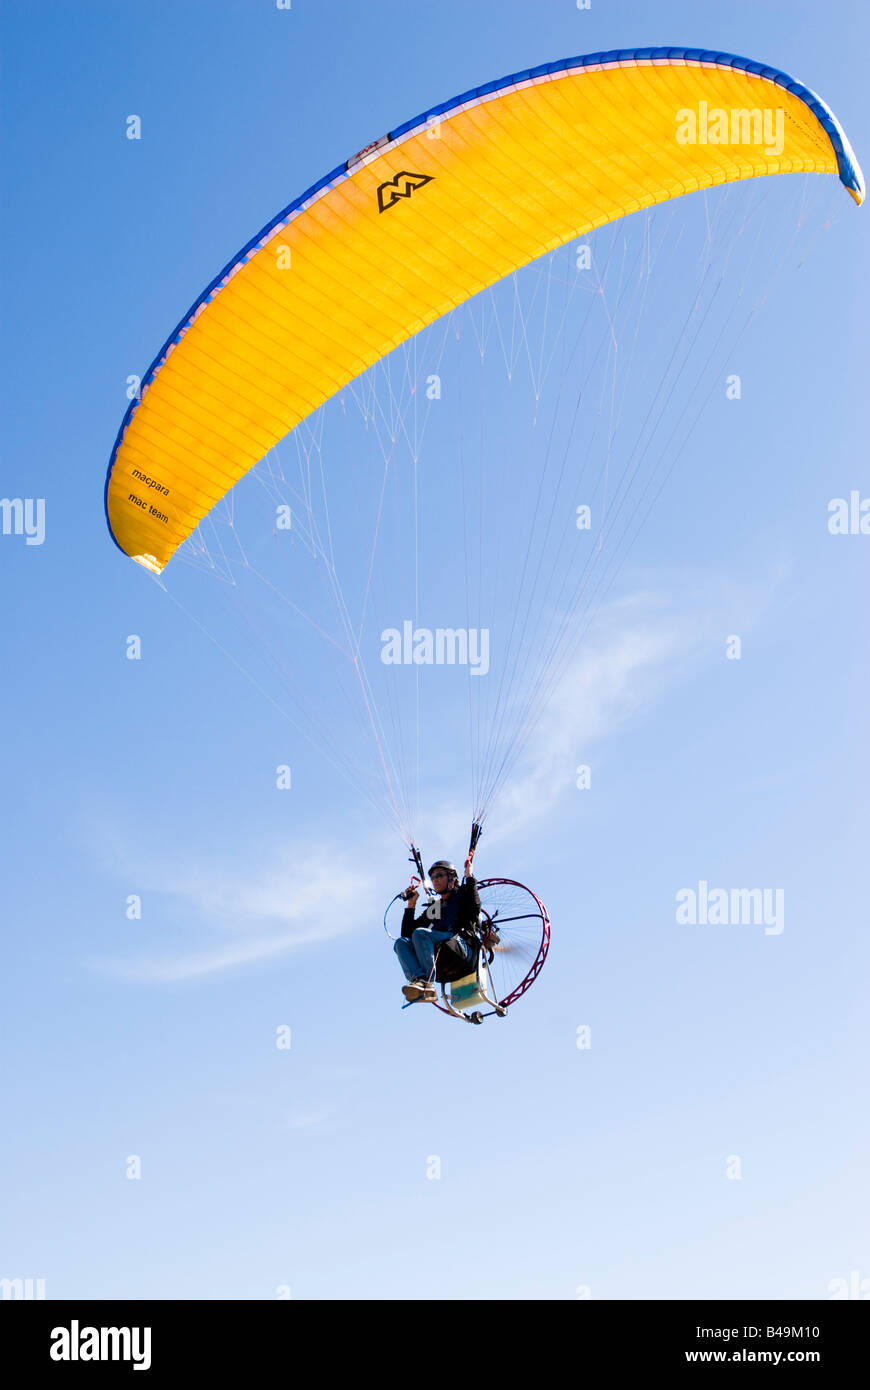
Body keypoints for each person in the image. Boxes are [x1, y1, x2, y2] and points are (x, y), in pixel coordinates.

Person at [394, 853, 481, 1002]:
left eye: (439, 875)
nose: (435, 880)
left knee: (420, 934)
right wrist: (411, 905)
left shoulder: (461, 895)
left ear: (451, 878)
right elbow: (408, 935)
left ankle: (427, 982)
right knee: (401, 943)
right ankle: (420, 980)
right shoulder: (436, 907)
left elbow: (474, 909)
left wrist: (470, 876)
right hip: (441, 962)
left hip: (459, 949)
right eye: (433, 877)